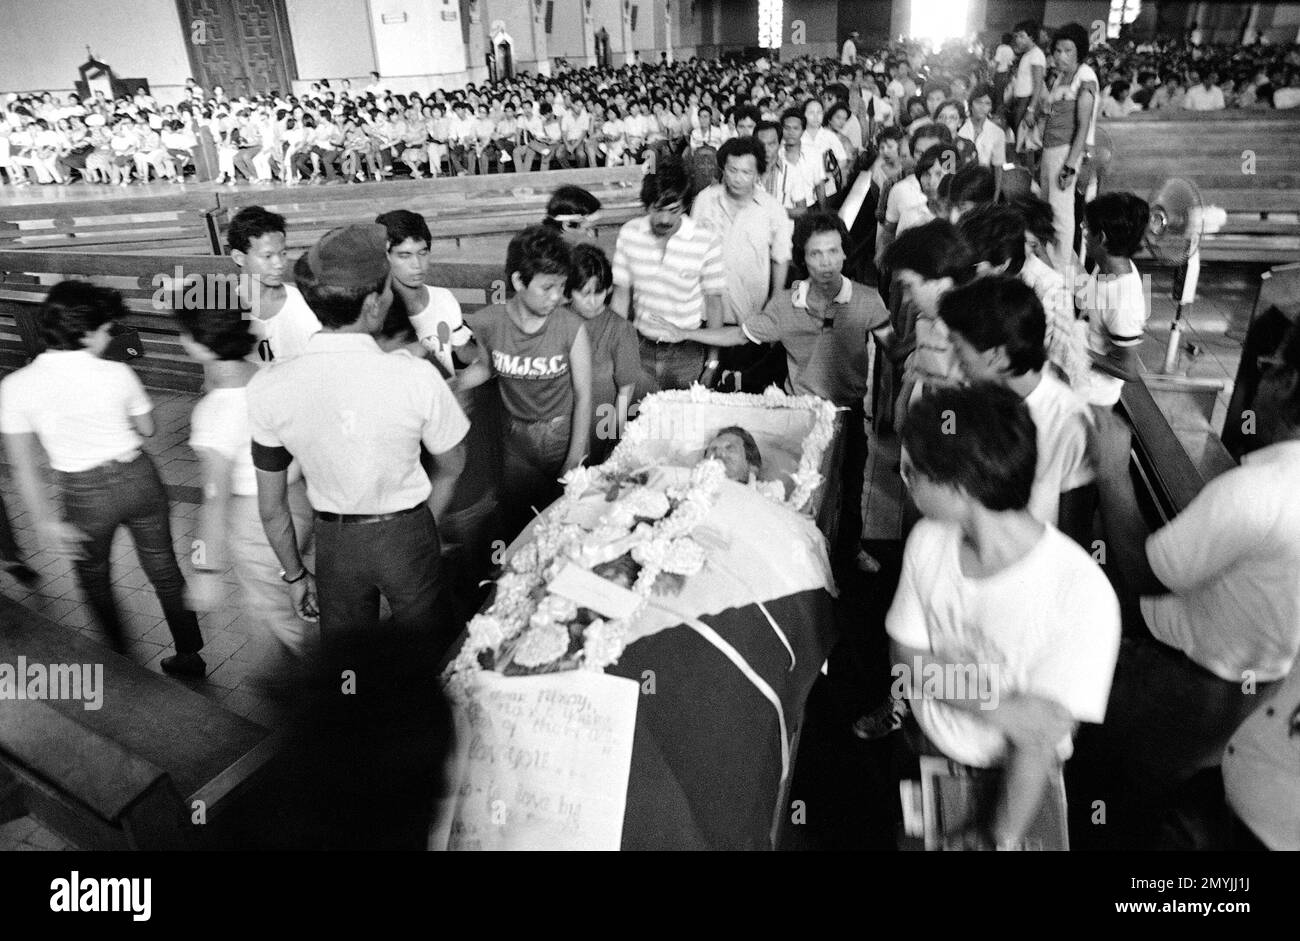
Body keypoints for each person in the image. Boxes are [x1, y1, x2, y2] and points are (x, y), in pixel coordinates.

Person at [1072, 323, 1300, 847]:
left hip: (1183, 686)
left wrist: (1111, 469)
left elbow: (1143, 571)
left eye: (1269, 369)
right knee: (1167, 791)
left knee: (1118, 790)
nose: (1260, 384)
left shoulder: (1256, 491)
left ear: (1288, 384)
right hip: (1257, 689)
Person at [887, 384, 1121, 850]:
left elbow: (1036, 740)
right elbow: (906, 659)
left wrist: (999, 836)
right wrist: (1002, 708)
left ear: (958, 487)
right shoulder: (928, 542)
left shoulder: (1081, 594)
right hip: (931, 740)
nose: (904, 479)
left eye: (913, 473)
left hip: (1017, 782)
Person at [247, 225, 468, 662]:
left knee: (348, 663)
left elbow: (271, 506)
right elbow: (454, 463)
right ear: (372, 304)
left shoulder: (268, 386)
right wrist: (424, 522)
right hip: (407, 533)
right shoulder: (414, 376)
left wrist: (295, 576)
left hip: (335, 541)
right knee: (430, 654)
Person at [650, 212, 892, 574]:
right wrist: (685, 334)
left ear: (845, 254)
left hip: (849, 408)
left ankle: (850, 548)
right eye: (815, 254)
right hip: (802, 412)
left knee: (853, 482)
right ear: (802, 258)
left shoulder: (868, 300)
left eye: (832, 252)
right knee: (807, 492)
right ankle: (805, 562)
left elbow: (894, 348)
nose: (825, 262)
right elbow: (739, 335)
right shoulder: (783, 304)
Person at [0, 282, 206, 675]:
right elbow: (146, 429)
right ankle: (189, 653)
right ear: (86, 331)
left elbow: (23, 465)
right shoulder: (118, 372)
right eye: (107, 329)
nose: (110, 336)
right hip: (140, 479)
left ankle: (120, 657)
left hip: (83, 493)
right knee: (164, 569)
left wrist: (45, 521)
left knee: (95, 579)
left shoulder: (15, 386)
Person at [179, 297, 316, 666]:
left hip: (258, 519)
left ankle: (328, 692)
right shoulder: (268, 375)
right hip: (298, 500)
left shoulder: (215, 412)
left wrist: (205, 568)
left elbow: (214, 497)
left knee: (275, 613)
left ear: (198, 342)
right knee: (295, 592)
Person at [458, 225, 593, 542]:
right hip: (517, 441)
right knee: (520, 522)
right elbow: (488, 367)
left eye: (561, 287)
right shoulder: (490, 321)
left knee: (565, 521)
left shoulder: (570, 326)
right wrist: (453, 384)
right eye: (547, 288)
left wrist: (574, 459)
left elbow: (584, 395)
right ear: (519, 281)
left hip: (562, 433)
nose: (557, 297)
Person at [939, 275, 1095, 546]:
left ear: (996, 355)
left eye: (958, 347)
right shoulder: (971, 396)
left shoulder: (1070, 422)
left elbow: (1075, 536)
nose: (953, 360)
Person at [612, 157, 726, 391]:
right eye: (657, 209)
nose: (664, 219)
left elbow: (714, 304)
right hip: (639, 348)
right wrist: (615, 350)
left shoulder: (706, 240)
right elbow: (621, 297)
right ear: (646, 206)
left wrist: (713, 361)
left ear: (685, 205)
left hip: (687, 352)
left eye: (673, 210)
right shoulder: (630, 233)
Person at [958, 202, 1090, 393]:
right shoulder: (977, 278)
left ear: (1003, 263)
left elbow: (1057, 366)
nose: (965, 273)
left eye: (973, 266)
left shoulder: (1050, 291)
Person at [374, 209, 476, 381]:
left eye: (423, 253)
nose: (417, 265)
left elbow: (463, 350)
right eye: (404, 255)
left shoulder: (444, 298)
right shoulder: (376, 310)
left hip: (443, 398)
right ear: (386, 256)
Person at [567, 243, 644, 464]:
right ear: (568, 291)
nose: (593, 301)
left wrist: (613, 438)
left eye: (599, 292)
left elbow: (625, 391)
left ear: (609, 289)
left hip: (597, 429)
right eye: (584, 293)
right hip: (558, 429)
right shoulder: (557, 321)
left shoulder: (620, 329)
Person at [1079, 192, 1151, 408]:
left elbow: (1128, 370)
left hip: (1094, 396)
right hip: (1082, 379)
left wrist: (1078, 352)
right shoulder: (1107, 266)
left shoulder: (1123, 299)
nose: (1083, 234)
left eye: (1086, 229)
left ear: (1101, 238)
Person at [227, 206, 322, 365]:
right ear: (239, 257)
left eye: (283, 253)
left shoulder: (304, 305)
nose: (279, 264)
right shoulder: (226, 311)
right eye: (268, 256)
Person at [1039, 23, 1099, 276]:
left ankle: (1061, 272)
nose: (1061, 56)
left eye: (1068, 50)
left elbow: (1083, 126)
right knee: (1049, 207)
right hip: (1051, 148)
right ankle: (1050, 260)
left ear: (1079, 52)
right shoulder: (1062, 77)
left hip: (1067, 151)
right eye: (1057, 50)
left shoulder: (1085, 77)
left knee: (1062, 215)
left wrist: (1070, 165)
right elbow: (1054, 112)